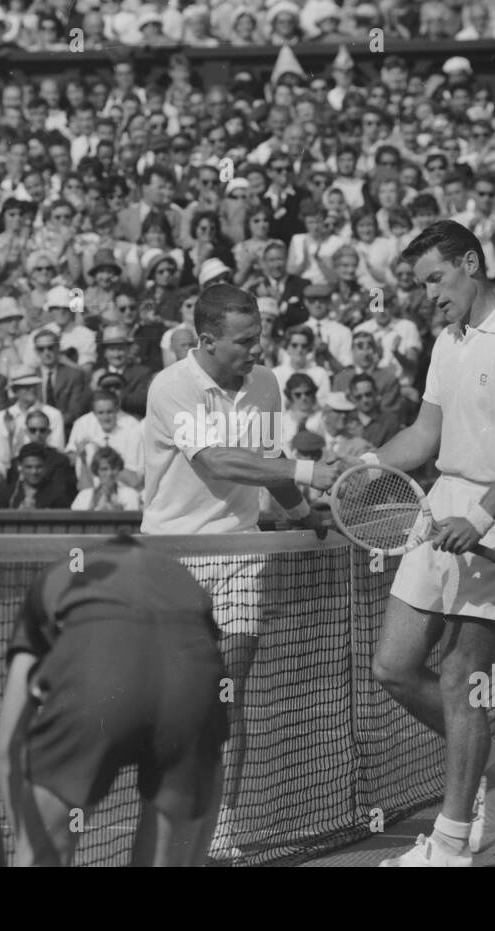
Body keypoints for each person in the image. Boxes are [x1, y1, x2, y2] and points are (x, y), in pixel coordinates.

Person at [364, 220, 495, 867]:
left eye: (436, 280)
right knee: (392, 666)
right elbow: (422, 436)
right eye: (420, 287)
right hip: (438, 507)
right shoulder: (445, 341)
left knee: (458, 678)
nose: (429, 297)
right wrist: (361, 472)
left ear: (470, 263)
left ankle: (447, 847)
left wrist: (481, 516)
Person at [141, 284, 338, 856]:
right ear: (205, 341)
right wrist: (307, 472)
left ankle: (221, 825)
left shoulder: (267, 383)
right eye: (245, 342)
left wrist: (304, 515)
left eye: (260, 338)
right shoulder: (171, 387)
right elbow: (217, 461)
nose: (257, 350)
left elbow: (268, 465)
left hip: (241, 554)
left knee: (229, 691)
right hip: (173, 555)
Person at [0, 531, 226, 866]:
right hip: (190, 690)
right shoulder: (181, 577)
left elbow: (6, 743)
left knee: (44, 853)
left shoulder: (53, 579)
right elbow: (213, 755)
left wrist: (31, 843)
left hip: (95, 686)